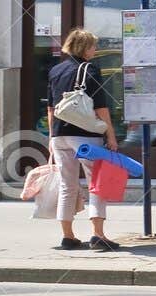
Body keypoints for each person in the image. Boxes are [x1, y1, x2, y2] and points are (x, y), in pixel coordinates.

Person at [47, 28, 119, 252]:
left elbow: (50, 108)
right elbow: (100, 107)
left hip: (60, 135)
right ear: (85, 48)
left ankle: (68, 237)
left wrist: (51, 138)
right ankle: (98, 235)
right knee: (96, 185)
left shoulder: (56, 70)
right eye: (93, 46)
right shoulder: (91, 70)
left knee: (67, 185)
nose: (95, 50)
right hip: (85, 136)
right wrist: (111, 134)